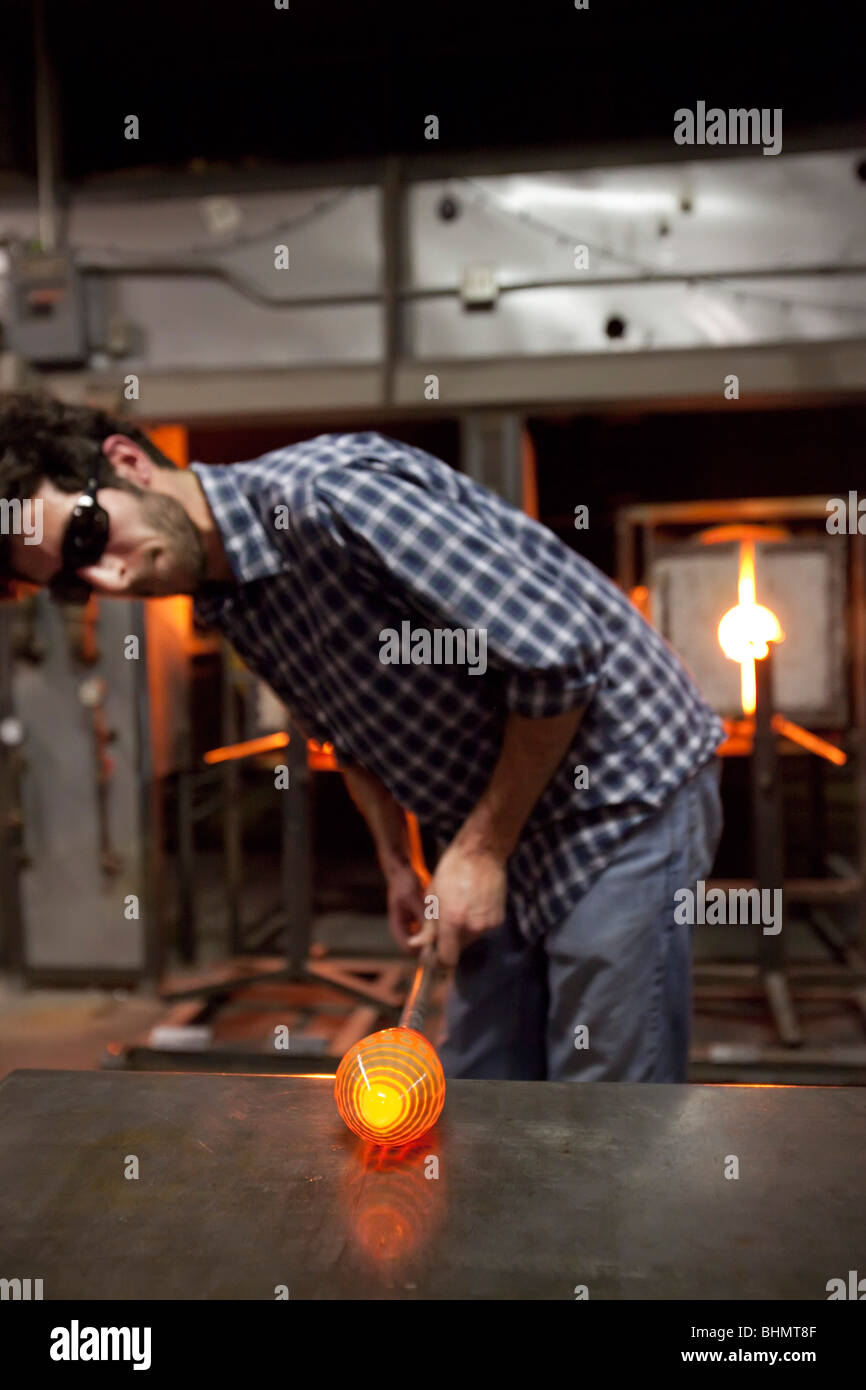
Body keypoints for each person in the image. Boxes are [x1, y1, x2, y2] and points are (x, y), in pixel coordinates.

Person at [0, 393, 724, 1081]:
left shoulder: (333, 498)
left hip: (621, 789)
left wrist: (479, 851)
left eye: (87, 537)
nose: (110, 576)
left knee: (609, 1094)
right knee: (483, 1078)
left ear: (127, 461)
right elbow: (345, 727)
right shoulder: (226, 595)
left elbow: (559, 657)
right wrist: (397, 859)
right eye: (72, 582)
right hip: (498, 816)